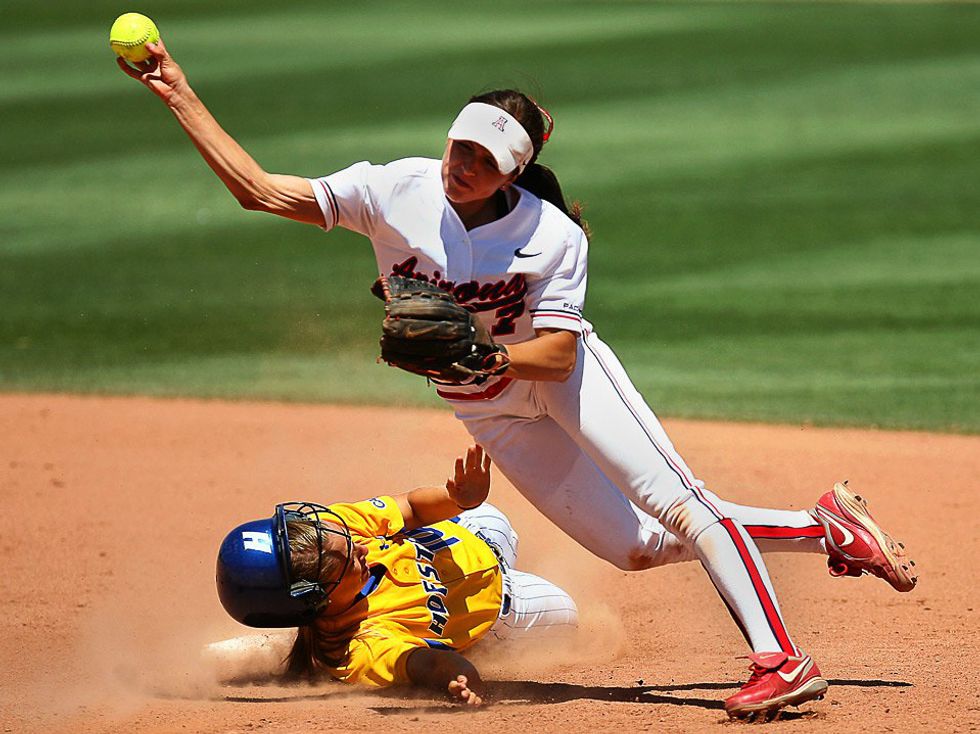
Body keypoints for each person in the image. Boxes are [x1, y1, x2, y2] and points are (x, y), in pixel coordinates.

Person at [120, 39, 917, 718]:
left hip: (562, 380)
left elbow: (560, 356)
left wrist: (485, 350)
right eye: (458, 147)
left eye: (483, 160)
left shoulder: (551, 235)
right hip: (488, 411)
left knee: (682, 502)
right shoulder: (393, 190)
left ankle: (781, 659)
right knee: (635, 548)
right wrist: (178, 91)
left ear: (513, 171)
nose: (460, 166)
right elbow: (262, 191)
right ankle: (826, 530)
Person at [212, 444, 577, 705]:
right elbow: (421, 664)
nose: (358, 546)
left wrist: (459, 500)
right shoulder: (360, 647)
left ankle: (475, 516)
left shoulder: (328, 530)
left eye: (342, 538)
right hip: (502, 608)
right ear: (317, 600)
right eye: (349, 561)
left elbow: (412, 508)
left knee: (492, 515)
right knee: (569, 615)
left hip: (471, 534)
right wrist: (456, 676)